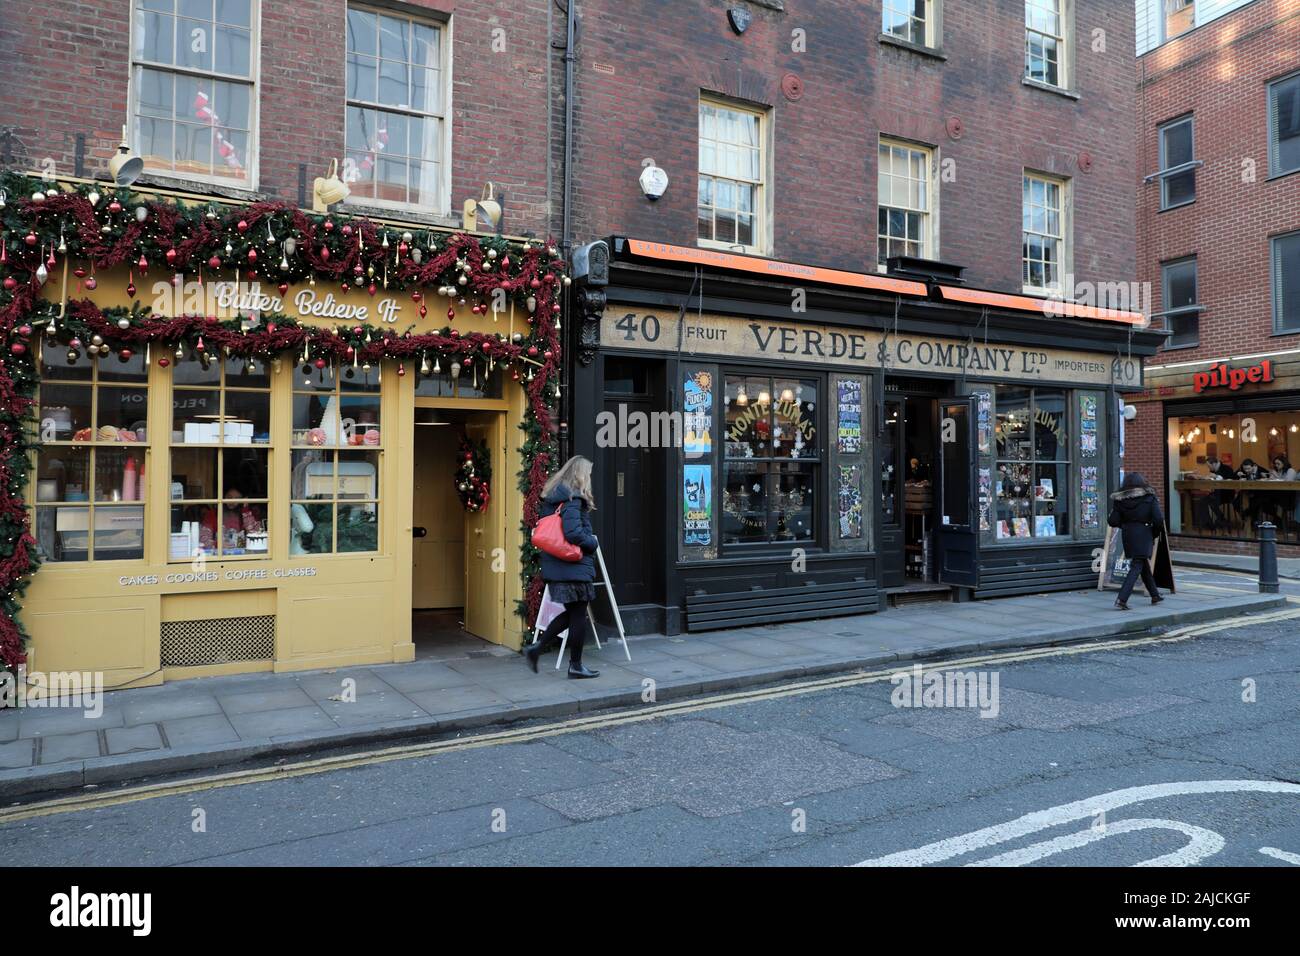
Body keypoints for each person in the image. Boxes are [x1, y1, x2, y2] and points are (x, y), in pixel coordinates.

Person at [524, 456, 601, 679]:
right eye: (588, 473)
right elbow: (573, 533)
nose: (589, 478)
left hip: (558, 565)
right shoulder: (573, 499)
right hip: (573, 565)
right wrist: (592, 543)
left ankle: (536, 649)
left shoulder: (554, 498)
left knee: (572, 613)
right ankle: (575, 665)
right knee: (578, 617)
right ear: (580, 474)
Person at [1108, 472, 1166, 610]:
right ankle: (1121, 599)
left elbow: (1113, 521)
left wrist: (1125, 525)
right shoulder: (1149, 497)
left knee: (1142, 563)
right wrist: (1154, 533)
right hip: (1144, 533)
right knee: (1137, 565)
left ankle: (1155, 595)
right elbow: (1158, 519)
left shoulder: (1120, 500)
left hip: (1128, 535)